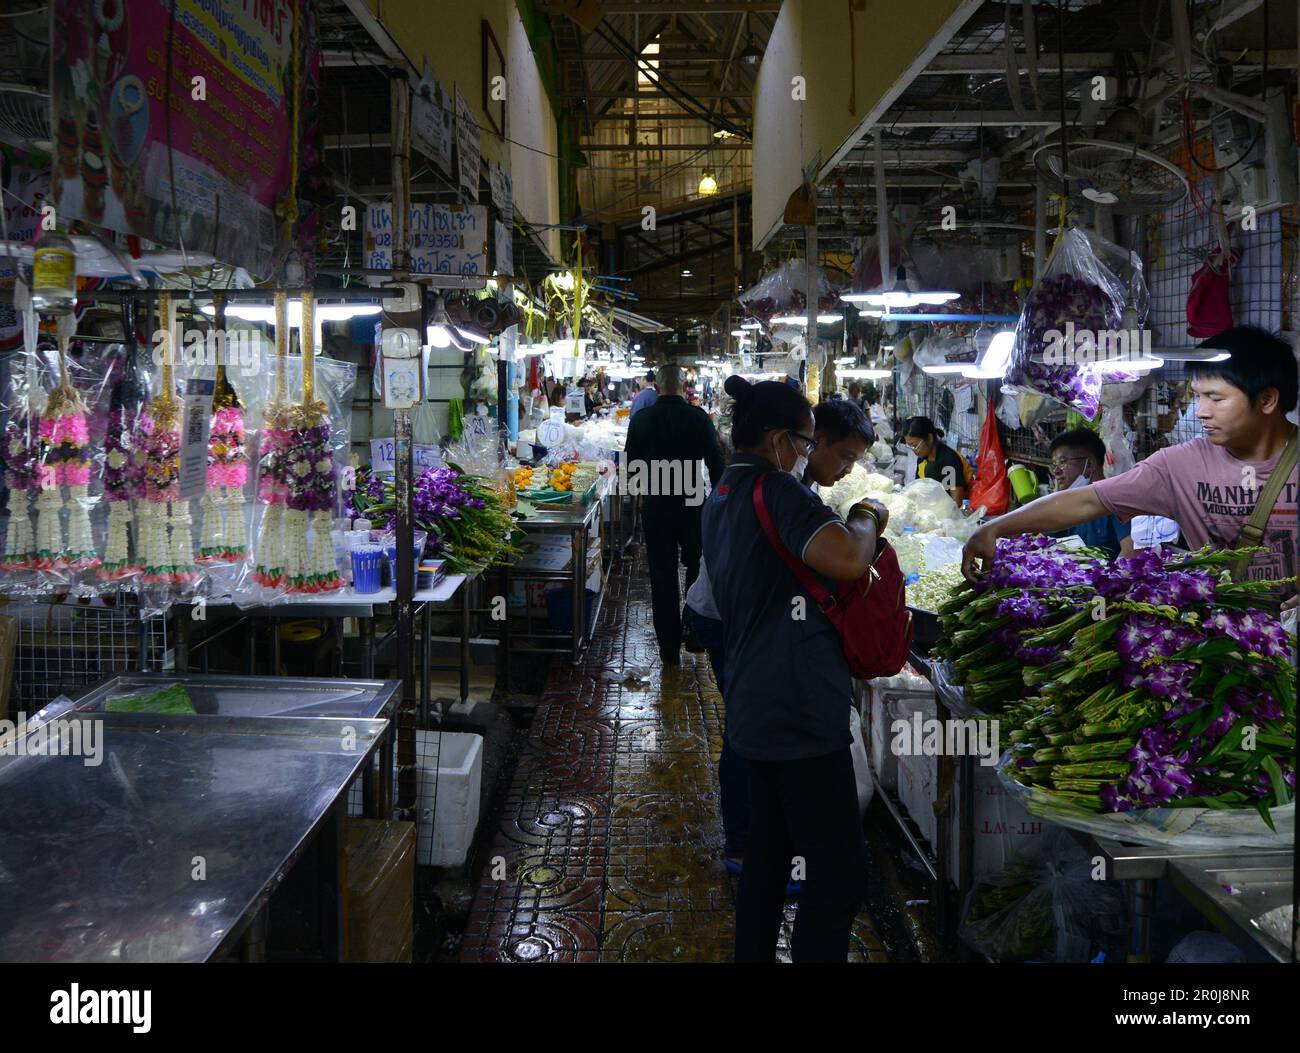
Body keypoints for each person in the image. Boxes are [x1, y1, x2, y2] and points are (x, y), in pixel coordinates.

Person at [702, 375, 889, 963]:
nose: (810, 457)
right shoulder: (777, 491)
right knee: (838, 875)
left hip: (755, 705)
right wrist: (868, 513)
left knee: (767, 859)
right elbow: (850, 559)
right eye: (807, 445)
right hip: (799, 714)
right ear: (780, 441)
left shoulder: (723, 494)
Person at [962, 326, 1298, 607]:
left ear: (1267, 399)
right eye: (1198, 397)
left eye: (1216, 398)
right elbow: (1086, 500)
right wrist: (995, 528)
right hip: (1229, 646)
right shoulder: (1180, 466)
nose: (1201, 412)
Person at [625, 364, 726, 665]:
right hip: (693, 504)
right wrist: (719, 501)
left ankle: (668, 648)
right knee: (697, 569)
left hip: (656, 507)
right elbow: (717, 464)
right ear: (684, 386)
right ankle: (694, 633)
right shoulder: (697, 418)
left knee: (662, 575)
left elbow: (631, 470)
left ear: (657, 387)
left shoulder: (641, 420)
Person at [1046, 428, 1133, 558]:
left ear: (1090, 464)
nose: (1056, 471)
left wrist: (1110, 577)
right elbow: (1046, 542)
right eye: (1054, 465)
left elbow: (1132, 551)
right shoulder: (1070, 503)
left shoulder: (1115, 500)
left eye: (1063, 462)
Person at [804, 398, 875, 491]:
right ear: (817, 439)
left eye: (855, 461)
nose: (849, 470)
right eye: (848, 457)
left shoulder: (809, 489)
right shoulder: (786, 495)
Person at [903, 415, 972, 505]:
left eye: (915, 445)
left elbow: (956, 502)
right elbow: (919, 488)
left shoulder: (948, 460)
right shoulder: (923, 458)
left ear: (930, 438)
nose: (914, 450)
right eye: (910, 446)